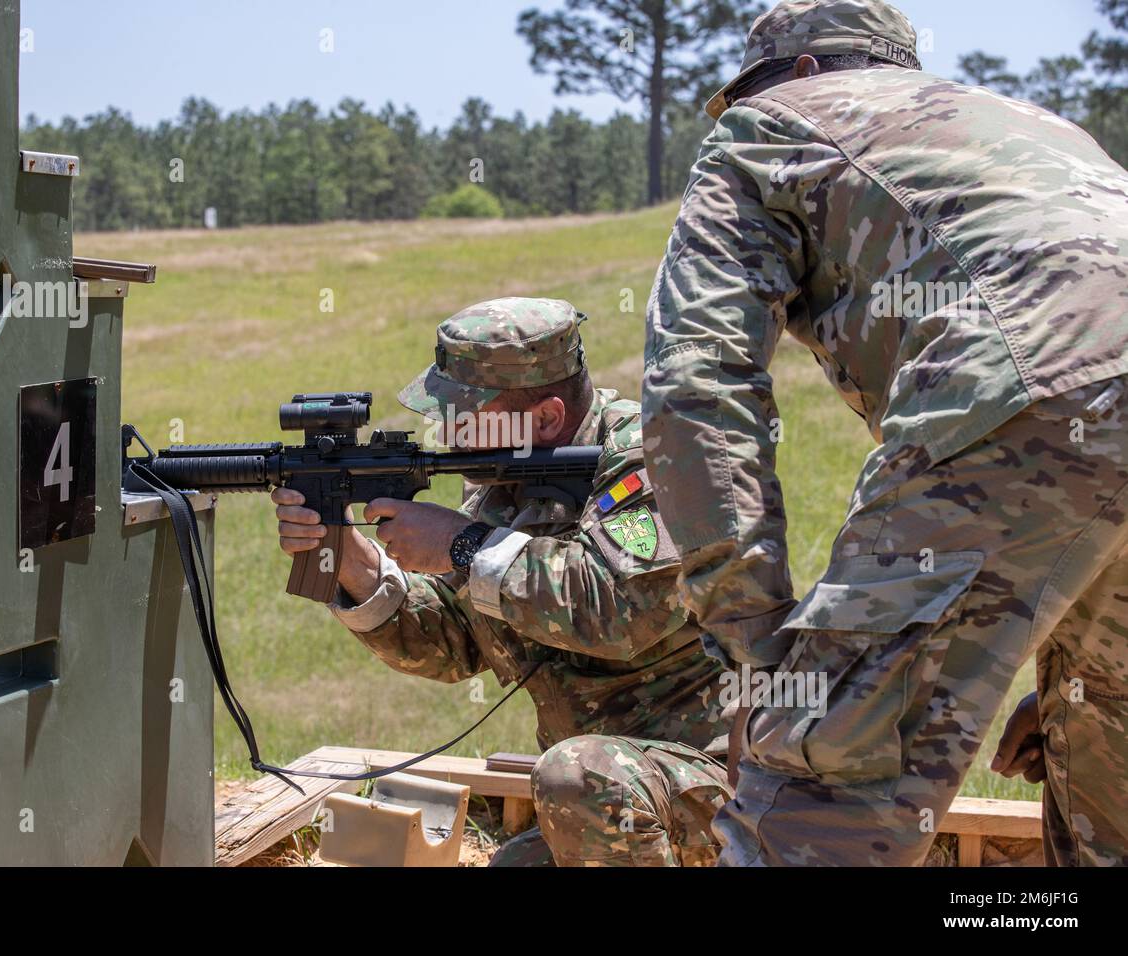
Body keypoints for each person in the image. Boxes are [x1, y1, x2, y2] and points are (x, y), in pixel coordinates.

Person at [642, 0, 1128, 866]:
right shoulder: (1036, 125)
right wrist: (1071, 677)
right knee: (1110, 782)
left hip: (1021, 391)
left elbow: (698, 383)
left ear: (791, 73)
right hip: (1068, 409)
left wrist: (768, 654)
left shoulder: (766, 126)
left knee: (812, 802)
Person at [272, 296, 729, 865]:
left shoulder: (654, 462)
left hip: (715, 783)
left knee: (575, 776)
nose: (447, 430)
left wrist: (465, 545)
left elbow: (618, 613)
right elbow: (456, 645)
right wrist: (353, 564)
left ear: (544, 418)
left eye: (466, 415)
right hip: (610, 794)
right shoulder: (499, 484)